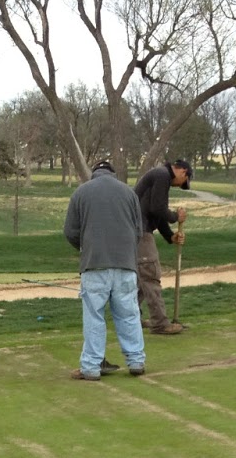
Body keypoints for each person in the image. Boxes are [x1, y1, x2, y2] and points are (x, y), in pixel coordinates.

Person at [62, 160, 146, 382]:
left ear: (94, 174)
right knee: (129, 314)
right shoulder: (129, 193)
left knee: (94, 316)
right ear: (113, 173)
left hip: (94, 264)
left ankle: (91, 366)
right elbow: (139, 231)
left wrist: (86, 247)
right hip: (125, 265)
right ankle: (136, 360)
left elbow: (70, 231)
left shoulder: (81, 192)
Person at [134, 158, 193, 335]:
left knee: (140, 279)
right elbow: (158, 208)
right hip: (139, 231)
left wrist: (170, 235)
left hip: (134, 230)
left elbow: (155, 212)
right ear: (183, 171)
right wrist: (176, 217)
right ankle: (160, 323)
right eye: (184, 181)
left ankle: (131, 318)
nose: (180, 185)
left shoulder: (160, 175)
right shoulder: (162, 175)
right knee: (150, 274)